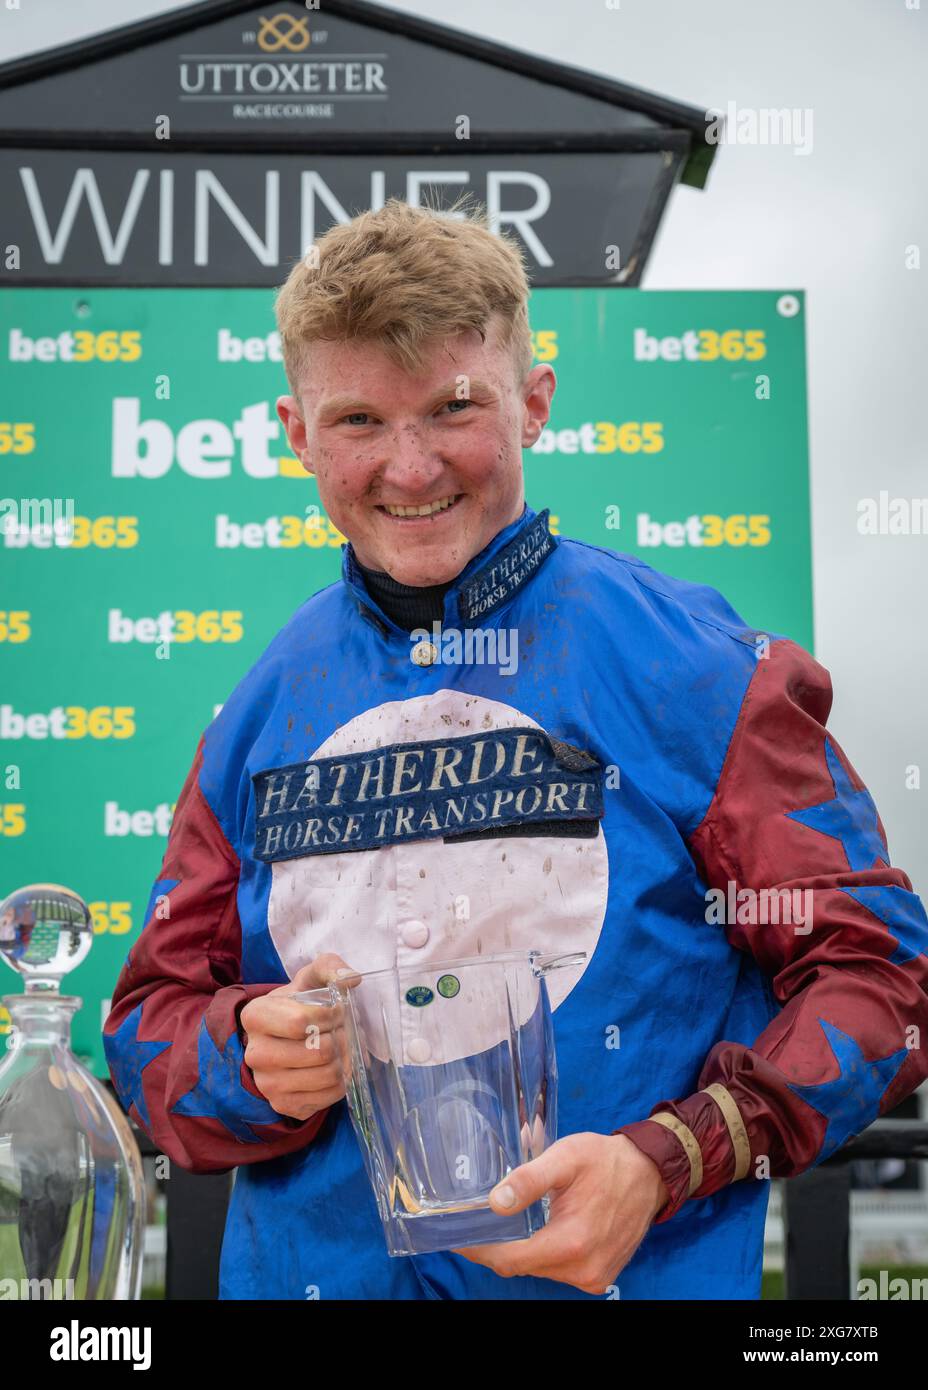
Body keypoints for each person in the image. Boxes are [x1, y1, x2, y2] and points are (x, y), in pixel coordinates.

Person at [104, 198, 928, 1300]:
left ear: (533, 403)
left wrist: (662, 1160)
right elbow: (146, 1025)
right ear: (296, 434)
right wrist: (244, 1053)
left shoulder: (697, 670)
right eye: (356, 421)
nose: (408, 466)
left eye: (454, 407)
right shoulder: (263, 706)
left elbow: (881, 981)